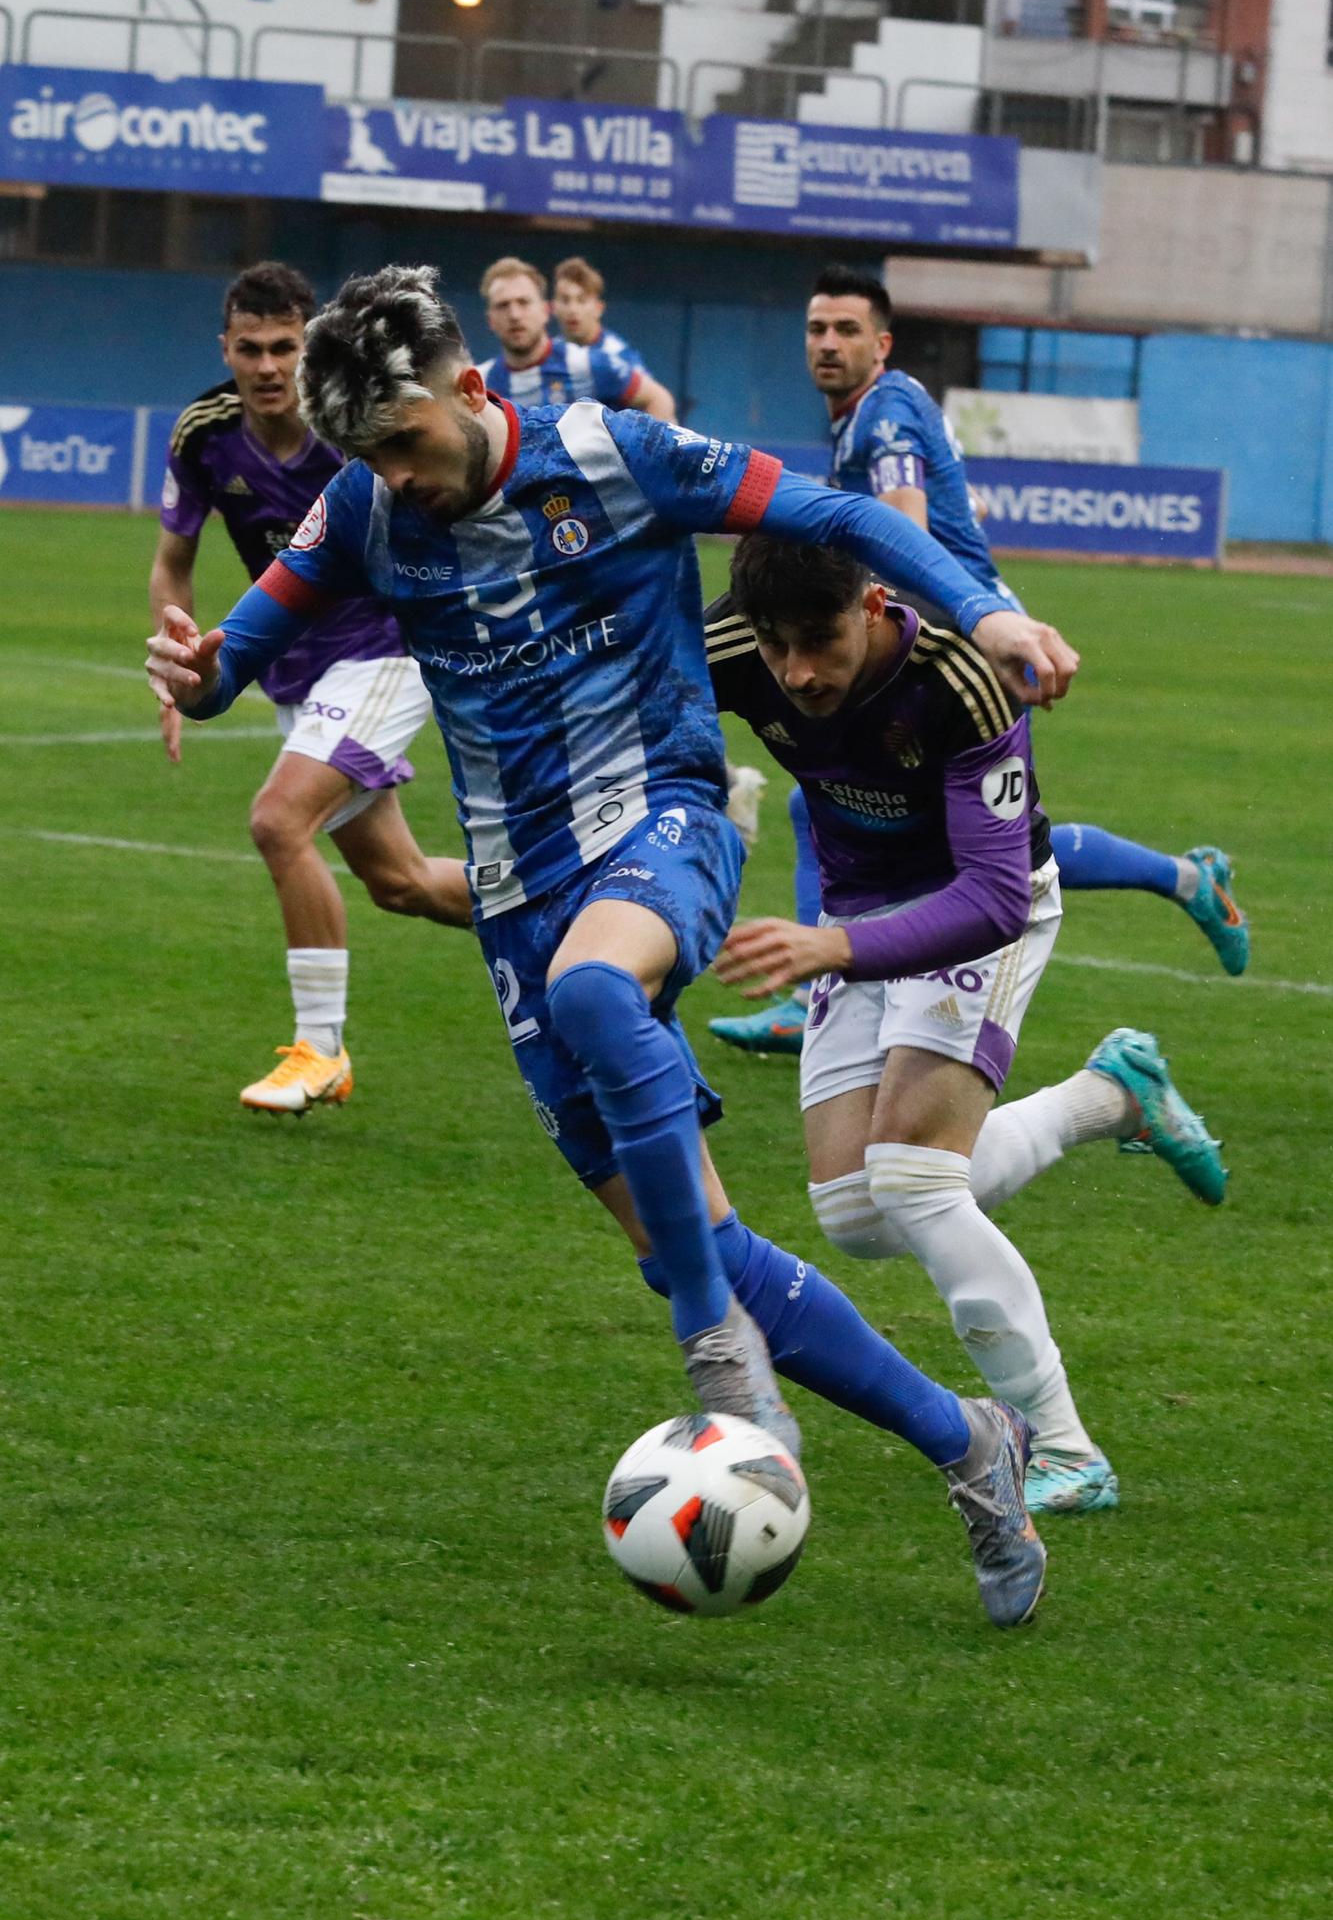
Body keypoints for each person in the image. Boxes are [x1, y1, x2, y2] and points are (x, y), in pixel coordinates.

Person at [145, 265, 1085, 1625]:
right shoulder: (363, 506)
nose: (394, 475)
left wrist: (985, 611)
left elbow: (831, 514)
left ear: (470, 389)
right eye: (369, 454)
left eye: (405, 440)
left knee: (599, 993)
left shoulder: (614, 452)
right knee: (689, 1232)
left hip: (660, 817)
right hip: (516, 888)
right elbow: (240, 650)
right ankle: (969, 1441)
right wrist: (199, 673)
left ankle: (713, 1351)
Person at [708, 538, 1227, 1513]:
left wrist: (835, 948)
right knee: (855, 1213)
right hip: (858, 913)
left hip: (977, 906)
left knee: (913, 1179)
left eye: (819, 641)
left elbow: (992, 896)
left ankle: (1065, 1448)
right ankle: (1108, 1096)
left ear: (871, 606)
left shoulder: (960, 681)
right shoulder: (732, 645)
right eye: (777, 647)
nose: (797, 672)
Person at [710, 261, 1249, 1056]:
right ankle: (1185, 878)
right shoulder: (887, 404)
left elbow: (902, 528)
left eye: (846, 330)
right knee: (920, 823)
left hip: (952, 641)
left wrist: (905, 647)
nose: (826, 343)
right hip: (965, 620)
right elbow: (940, 502)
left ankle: (809, 993)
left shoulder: (883, 416)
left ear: (881, 344)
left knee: (972, 843)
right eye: (816, 329)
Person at [150, 260, 471, 1114]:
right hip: (294, 668)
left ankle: (320, 1049)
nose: (266, 366)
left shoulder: (350, 424)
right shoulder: (203, 433)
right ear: (225, 347)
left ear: (309, 345)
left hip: (386, 653)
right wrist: (175, 666)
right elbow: (172, 562)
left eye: (283, 347)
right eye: (249, 348)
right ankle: (577, 911)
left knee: (277, 819)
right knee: (401, 882)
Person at [477, 256, 676, 420]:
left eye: (523, 302)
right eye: (502, 305)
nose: (514, 315)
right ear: (490, 320)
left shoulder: (589, 363)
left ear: (546, 310)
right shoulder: (479, 382)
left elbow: (659, 399)